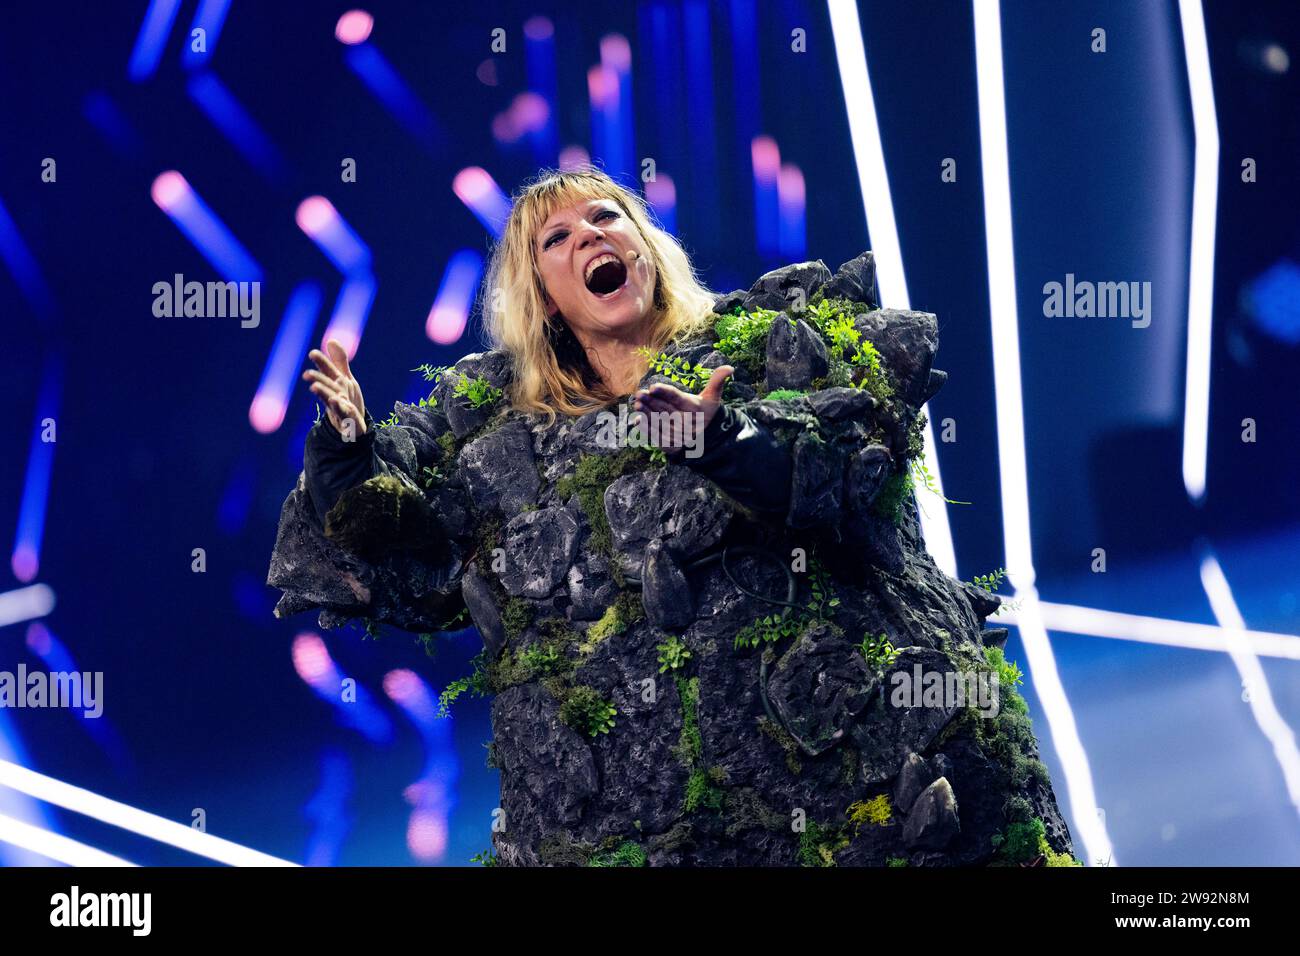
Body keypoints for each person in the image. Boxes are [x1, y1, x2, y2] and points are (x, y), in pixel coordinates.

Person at [268, 165, 1074, 867]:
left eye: (606, 217)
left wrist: (719, 438)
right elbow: (410, 562)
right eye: (556, 239)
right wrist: (345, 454)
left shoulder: (773, 337)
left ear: (645, 246)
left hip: (865, 808)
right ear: (542, 296)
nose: (589, 238)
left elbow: (839, 465)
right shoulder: (497, 438)